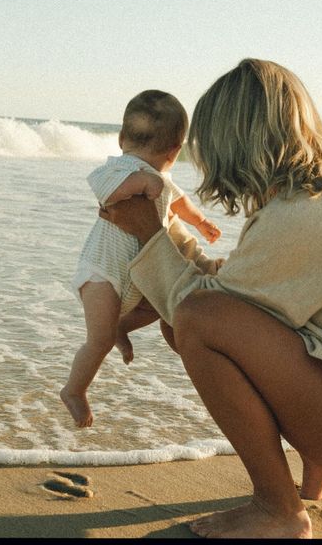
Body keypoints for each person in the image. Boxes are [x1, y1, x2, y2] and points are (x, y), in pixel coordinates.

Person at [100, 59, 322, 539]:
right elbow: (242, 292)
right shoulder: (312, 195)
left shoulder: (306, 213)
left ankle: (279, 510)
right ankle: (314, 469)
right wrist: (165, 229)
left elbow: (208, 308)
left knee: (198, 320)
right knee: (191, 317)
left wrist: (149, 231)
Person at [61, 90, 222, 428]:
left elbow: (180, 205)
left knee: (159, 305)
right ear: (176, 151)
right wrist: (140, 181)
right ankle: (75, 391)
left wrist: (201, 222)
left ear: (123, 136)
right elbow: (102, 189)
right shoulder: (119, 167)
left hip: (137, 277)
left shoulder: (164, 181)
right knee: (99, 340)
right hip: (102, 274)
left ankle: (122, 325)